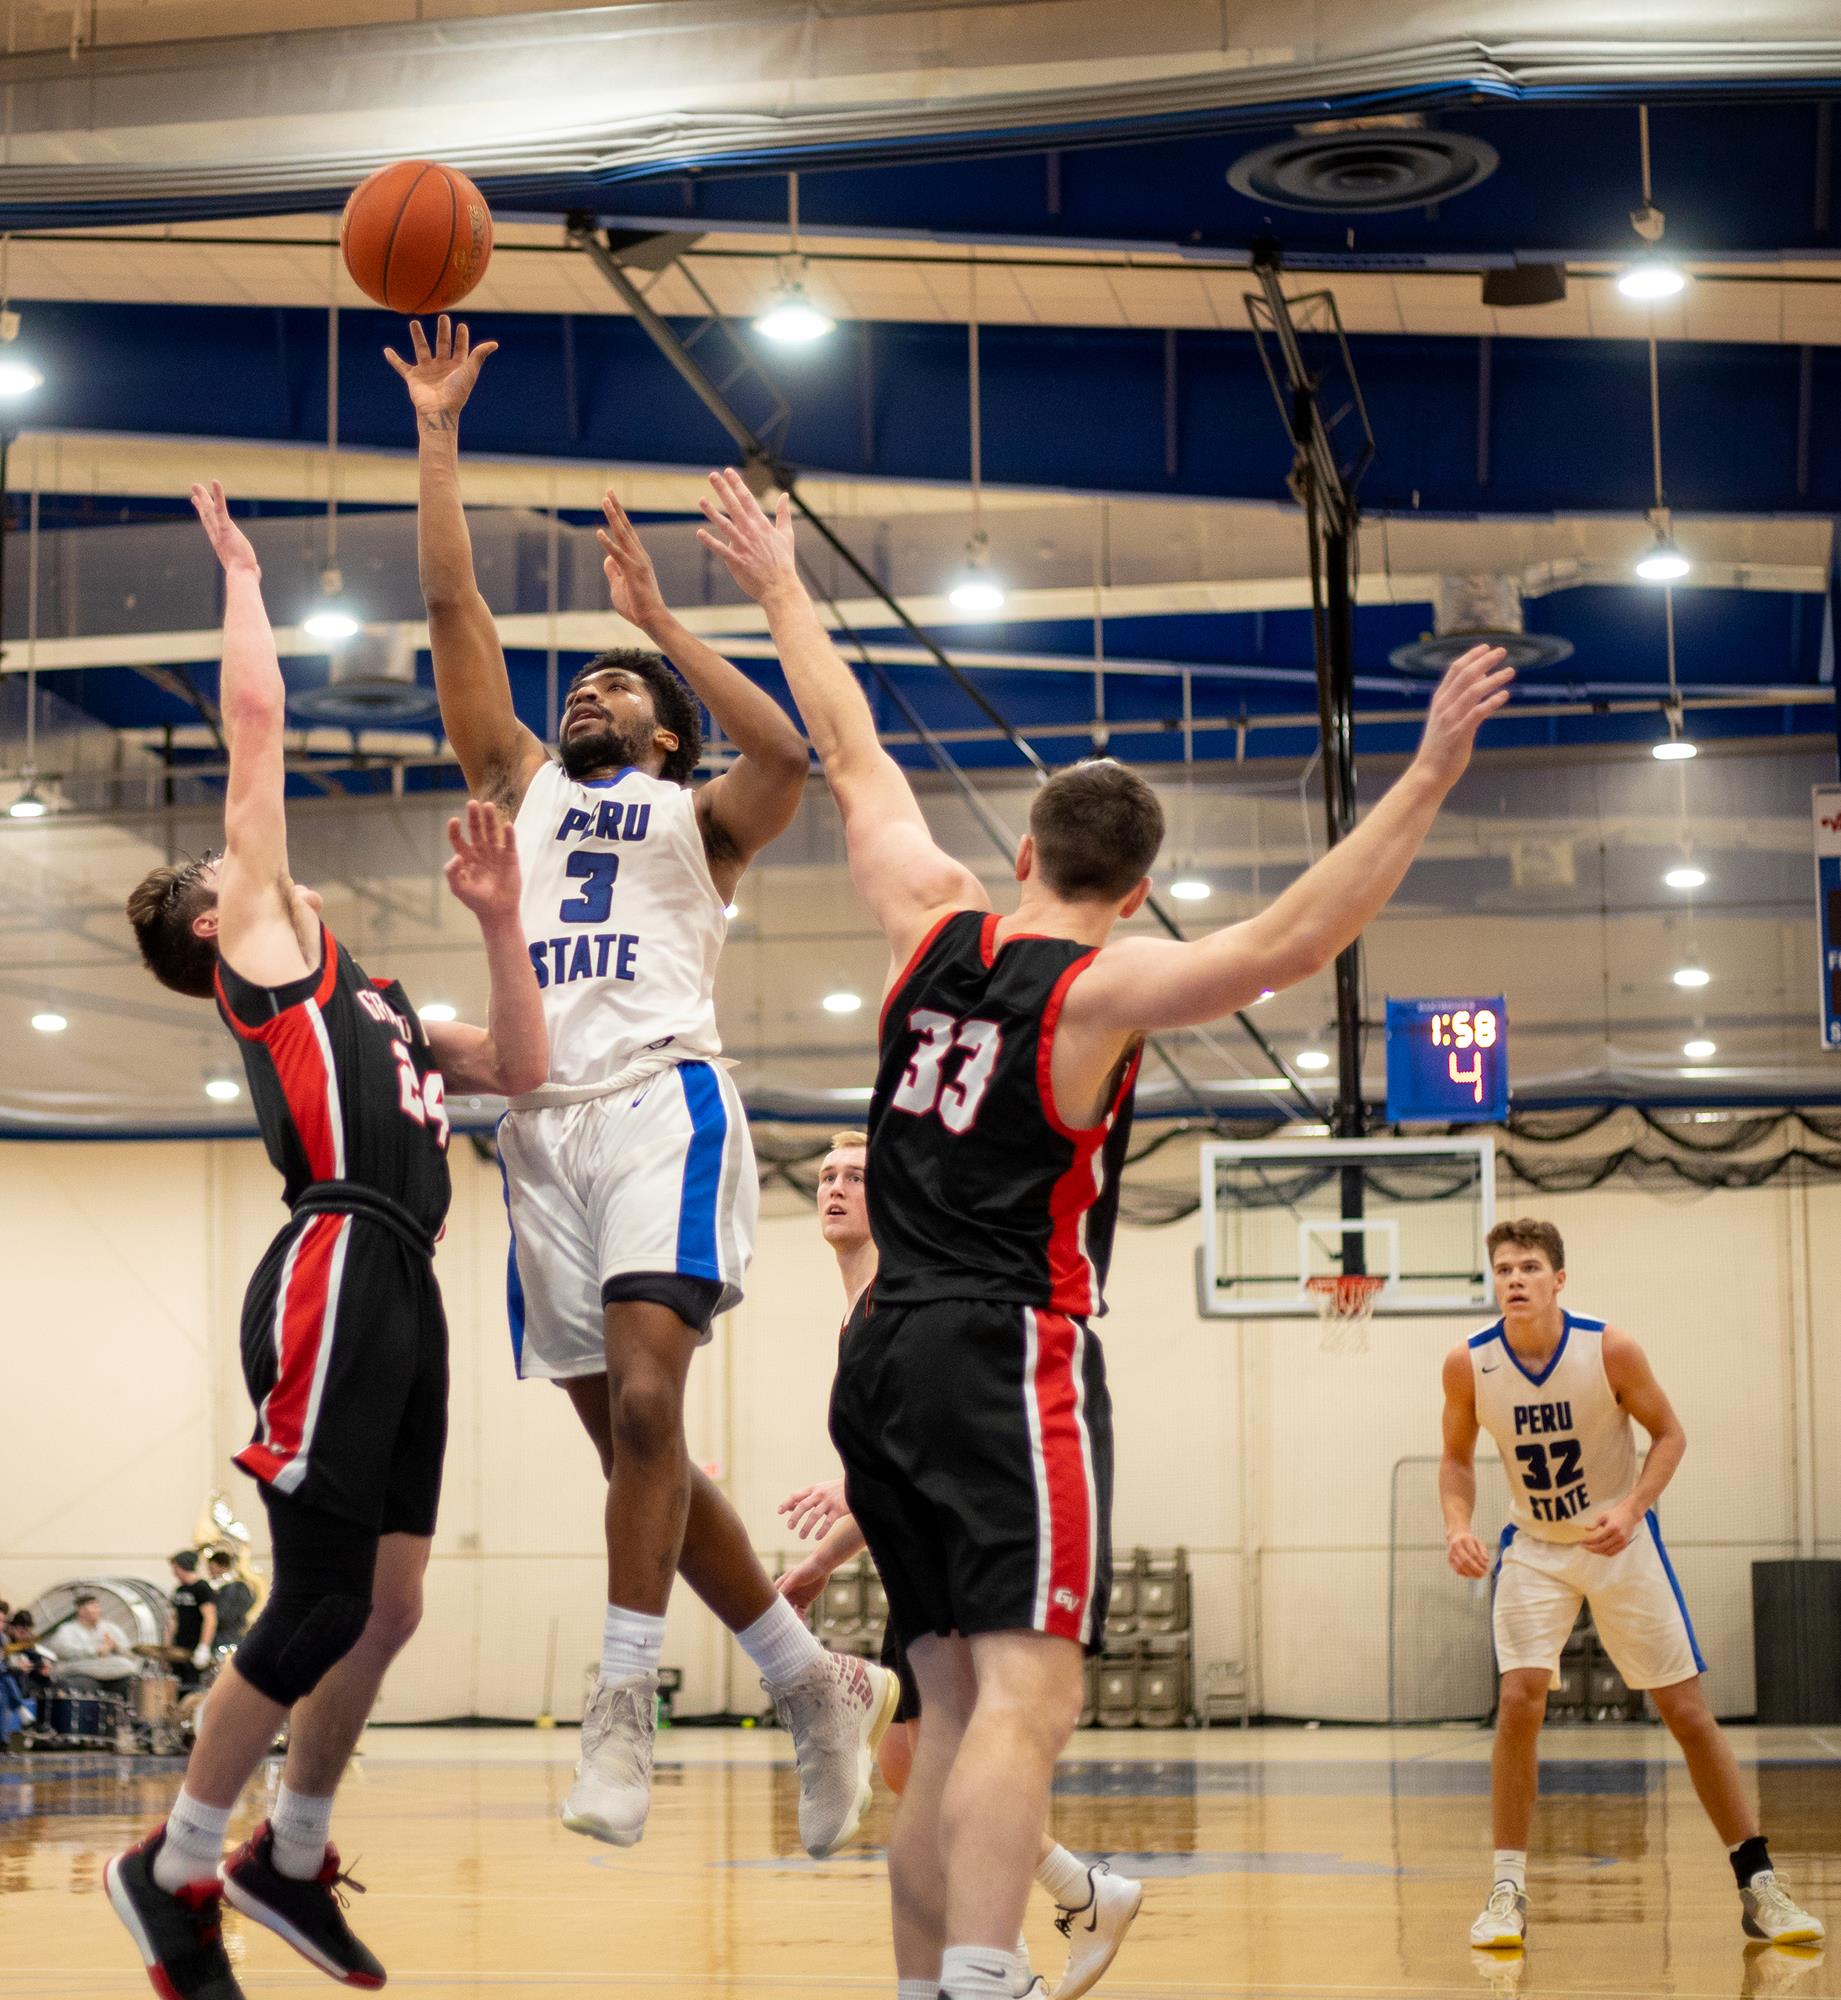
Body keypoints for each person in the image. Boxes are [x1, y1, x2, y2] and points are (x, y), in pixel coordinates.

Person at [697, 464, 1513, 2000]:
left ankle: (930, 1986)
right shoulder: (1103, 990)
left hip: (874, 1350)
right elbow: (1293, 939)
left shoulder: (930, 923)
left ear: (1022, 853)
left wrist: (780, 584)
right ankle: (996, 1976)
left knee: (944, 1706)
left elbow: (853, 746)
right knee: (1029, 1700)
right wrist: (1422, 777)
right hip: (1009, 1349)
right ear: (1135, 893)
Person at [390, 315, 894, 1856]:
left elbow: (793, 756)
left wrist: (665, 621)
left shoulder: (697, 819)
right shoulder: (522, 786)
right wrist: (435, 432)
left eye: (619, 691)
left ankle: (626, 1713)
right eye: (587, 683)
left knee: (660, 1402)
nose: (590, 694)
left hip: (661, 1108)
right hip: (536, 1137)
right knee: (637, 1459)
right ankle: (811, 1684)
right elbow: (453, 599)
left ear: (661, 732)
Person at [107, 480, 549, 2000]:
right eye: (225, 871)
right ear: (213, 920)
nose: (247, 859)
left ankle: (288, 1852)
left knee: (394, 1601)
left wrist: (498, 913)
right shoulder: (263, 954)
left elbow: (520, 1067)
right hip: (336, 1266)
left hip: (404, 1281)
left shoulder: (356, 991)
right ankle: (170, 1866)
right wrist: (240, 577)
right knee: (312, 1601)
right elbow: (252, 731)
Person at [777, 1132, 1142, 2000]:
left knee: (955, 1743)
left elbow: (910, 1454)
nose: (835, 1188)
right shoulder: (856, 1311)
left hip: (973, 1523)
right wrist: (823, 1560)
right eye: (826, 1176)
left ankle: (1012, 1951)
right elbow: (886, 1469)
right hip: (921, 1539)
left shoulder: (904, 1292)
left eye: (855, 1176)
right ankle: (1060, 1907)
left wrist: (828, 1547)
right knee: (918, 1757)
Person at [1441, 1218, 1825, 1953]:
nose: (1513, 1279)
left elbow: (1669, 1433)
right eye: (1501, 1269)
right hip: (1534, 1548)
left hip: (1620, 1544)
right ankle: (1505, 1890)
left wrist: (1631, 1507)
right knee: (1518, 1700)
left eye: (1527, 1266)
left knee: (1683, 1710)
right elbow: (1455, 1457)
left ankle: (1758, 1883)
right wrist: (1457, 1523)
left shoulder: (1607, 1347)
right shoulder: (1467, 1364)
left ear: (1558, 1279)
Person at [47, 1592, 140, 1687]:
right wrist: (96, 1651)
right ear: (81, 1611)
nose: (98, 1610)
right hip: (81, 1674)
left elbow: (131, 1654)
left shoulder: (111, 1628)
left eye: (98, 1607)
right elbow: (60, 1650)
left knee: (132, 1678)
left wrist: (115, 1646)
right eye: (93, 1607)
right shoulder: (67, 1629)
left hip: (115, 1673)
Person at [165, 1553, 218, 1690]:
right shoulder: (179, 1590)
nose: (173, 1572)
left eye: (175, 1567)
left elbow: (210, 1618)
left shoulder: (202, 1588)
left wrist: (204, 1647)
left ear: (183, 1566)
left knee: (193, 1689)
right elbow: (174, 1619)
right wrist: (167, 1646)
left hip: (194, 1648)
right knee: (177, 1687)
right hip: (179, 1648)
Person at [205, 1553, 255, 1650]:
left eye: (212, 1568)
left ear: (223, 1566)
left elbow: (225, 1616)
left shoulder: (237, 1588)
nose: (210, 1572)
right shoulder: (223, 1588)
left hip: (228, 1639)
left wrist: (207, 1618)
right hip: (222, 1637)